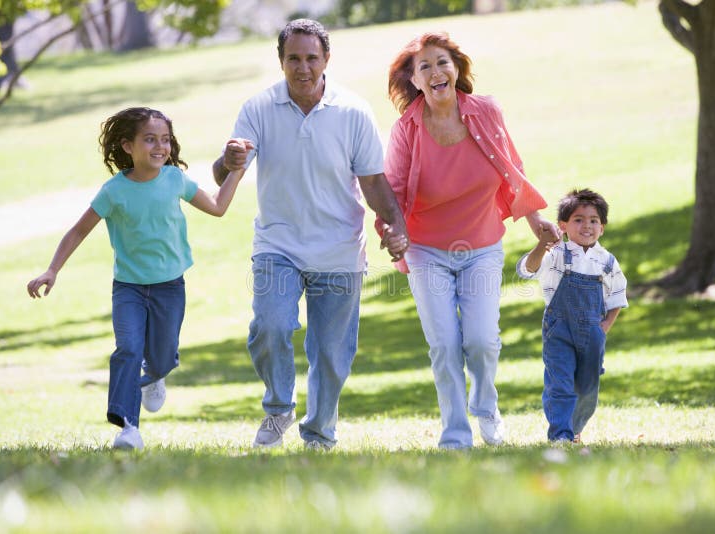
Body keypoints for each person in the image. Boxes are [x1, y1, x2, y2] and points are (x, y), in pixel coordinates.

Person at [213, 19, 408, 451]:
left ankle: (319, 432)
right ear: (281, 61)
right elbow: (226, 167)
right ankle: (279, 406)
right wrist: (227, 161)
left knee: (333, 353)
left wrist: (395, 225)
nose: (303, 68)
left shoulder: (353, 110)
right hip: (278, 244)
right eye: (293, 59)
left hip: (339, 247)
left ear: (327, 60)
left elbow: (374, 182)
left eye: (311, 58)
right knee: (270, 325)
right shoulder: (259, 107)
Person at [27, 107, 250, 450]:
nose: (160, 147)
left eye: (165, 140)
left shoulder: (174, 179)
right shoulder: (113, 192)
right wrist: (52, 269)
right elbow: (77, 231)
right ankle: (128, 426)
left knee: (161, 358)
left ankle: (155, 375)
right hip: (129, 289)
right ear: (128, 146)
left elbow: (219, 207)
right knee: (128, 349)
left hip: (170, 287)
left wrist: (237, 170)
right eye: (149, 139)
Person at [382, 32, 559, 449]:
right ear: (415, 80)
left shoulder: (485, 111)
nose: (435, 71)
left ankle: (485, 406)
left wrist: (535, 220)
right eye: (424, 66)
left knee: (480, 341)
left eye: (442, 62)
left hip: (481, 246)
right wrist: (393, 233)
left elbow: (511, 166)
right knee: (444, 345)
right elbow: (391, 188)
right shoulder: (407, 128)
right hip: (427, 250)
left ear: (456, 68)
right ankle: (456, 434)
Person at [516, 188, 628, 443]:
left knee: (588, 387)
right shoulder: (556, 254)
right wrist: (542, 244)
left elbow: (617, 296)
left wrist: (604, 327)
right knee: (560, 383)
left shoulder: (607, 261)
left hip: (592, 332)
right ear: (563, 226)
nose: (586, 226)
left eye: (593, 221)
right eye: (578, 219)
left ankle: (575, 427)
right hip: (559, 331)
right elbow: (527, 270)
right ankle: (561, 434)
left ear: (602, 228)